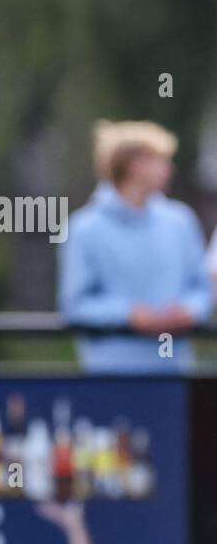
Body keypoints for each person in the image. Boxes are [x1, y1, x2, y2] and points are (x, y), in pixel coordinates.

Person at [60, 120, 211, 374]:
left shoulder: (180, 221)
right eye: (160, 160)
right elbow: (76, 306)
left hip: (175, 376)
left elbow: (201, 288)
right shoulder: (84, 228)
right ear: (135, 164)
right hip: (112, 378)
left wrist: (189, 311)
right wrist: (128, 316)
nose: (169, 169)